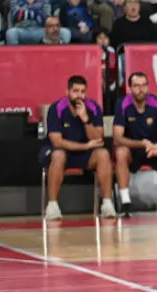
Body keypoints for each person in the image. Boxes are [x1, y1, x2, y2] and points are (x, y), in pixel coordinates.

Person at [40, 75, 116, 221]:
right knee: (58, 155)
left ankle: (107, 204)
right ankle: (52, 206)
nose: (79, 95)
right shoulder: (56, 108)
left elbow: (98, 138)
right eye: (75, 91)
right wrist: (86, 145)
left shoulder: (93, 108)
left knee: (103, 154)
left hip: (84, 154)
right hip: (59, 151)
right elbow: (57, 142)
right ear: (67, 92)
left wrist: (86, 120)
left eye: (82, 91)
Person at [113, 72, 157, 217]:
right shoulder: (122, 104)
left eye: (144, 85)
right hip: (133, 150)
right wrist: (141, 143)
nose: (141, 89)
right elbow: (117, 138)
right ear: (130, 88)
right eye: (136, 86)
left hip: (154, 150)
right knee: (120, 152)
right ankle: (126, 203)